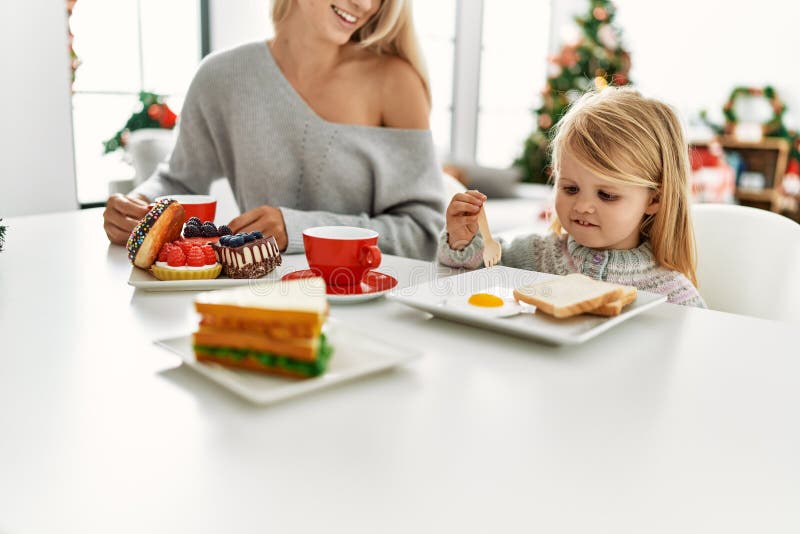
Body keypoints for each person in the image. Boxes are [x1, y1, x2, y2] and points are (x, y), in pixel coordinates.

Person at [103, 0, 444, 260]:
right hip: (258, 303)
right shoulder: (221, 76)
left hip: (371, 309)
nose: (367, 5)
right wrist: (139, 205)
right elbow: (179, 181)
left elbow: (425, 233)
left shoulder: (396, 83)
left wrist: (296, 230)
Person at [440, 87, 706, 307]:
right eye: (570, 188)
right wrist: (463, 243)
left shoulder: (674, 295)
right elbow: (465, 282)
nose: (582, 206)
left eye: (606, 195)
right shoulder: (535, 256)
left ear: (653, 200)